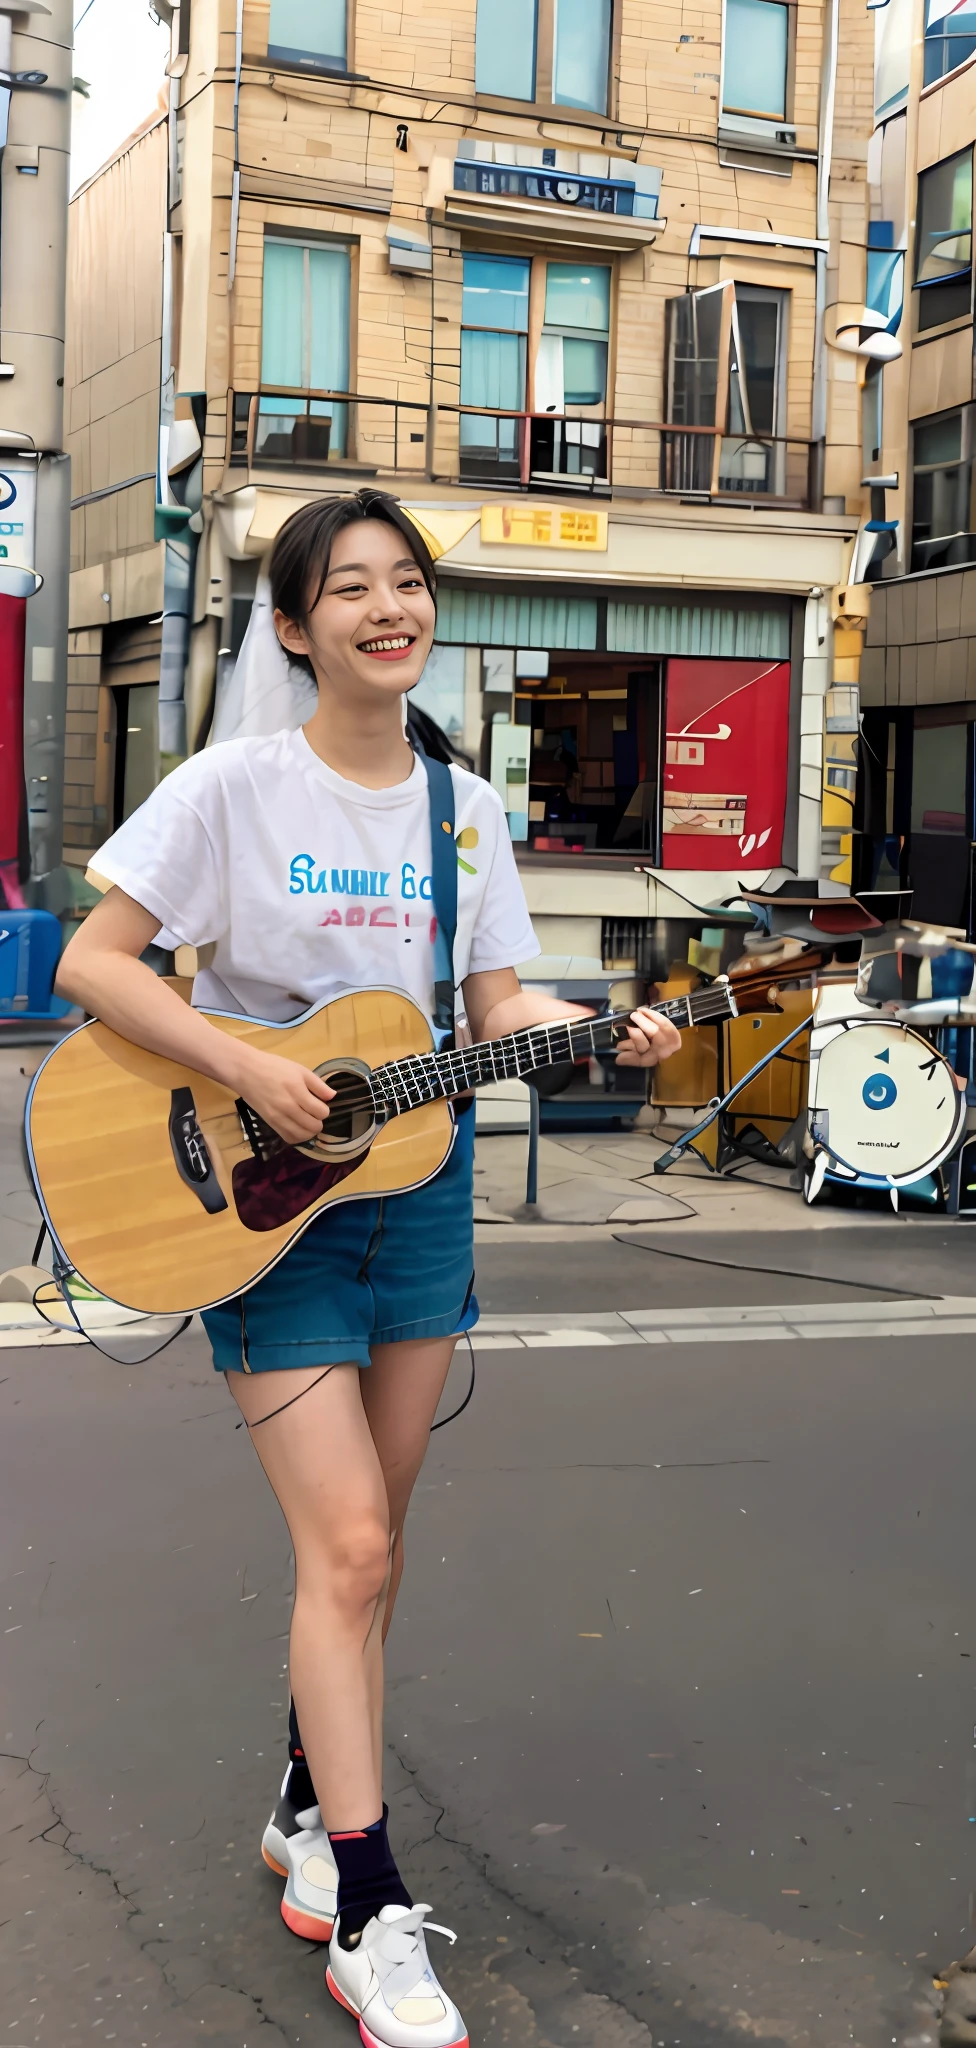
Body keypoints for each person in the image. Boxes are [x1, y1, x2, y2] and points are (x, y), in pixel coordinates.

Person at [55, 488, 681, 2048]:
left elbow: (488, 1008)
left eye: (410, 584)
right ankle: (371, 1902)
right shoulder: (233, 788)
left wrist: (606, 1033)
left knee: (373, 1553)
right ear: (295, 624)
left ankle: (297, 1804)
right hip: (257, 1211)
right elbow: (91, 960)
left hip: (415, 1197)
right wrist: (250, 1070)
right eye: (352, 588)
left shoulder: (461, 813)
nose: (390, 608)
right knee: (347, 1551)